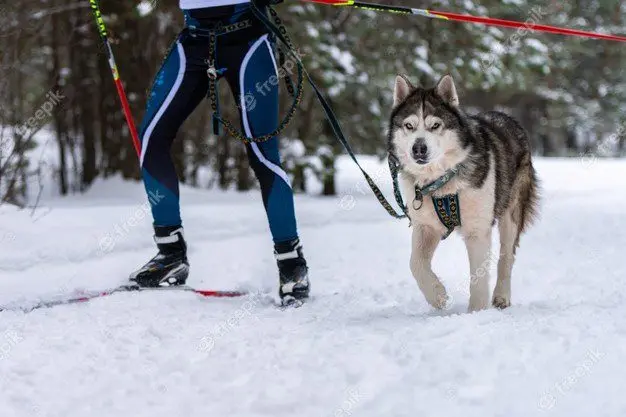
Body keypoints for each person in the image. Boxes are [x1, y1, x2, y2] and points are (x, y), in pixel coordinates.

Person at [129, 0, 310, 305]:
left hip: (249, 40)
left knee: (262, 153)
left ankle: (292, 264)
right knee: (151, 140)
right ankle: (170, 254)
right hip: (195, 40)